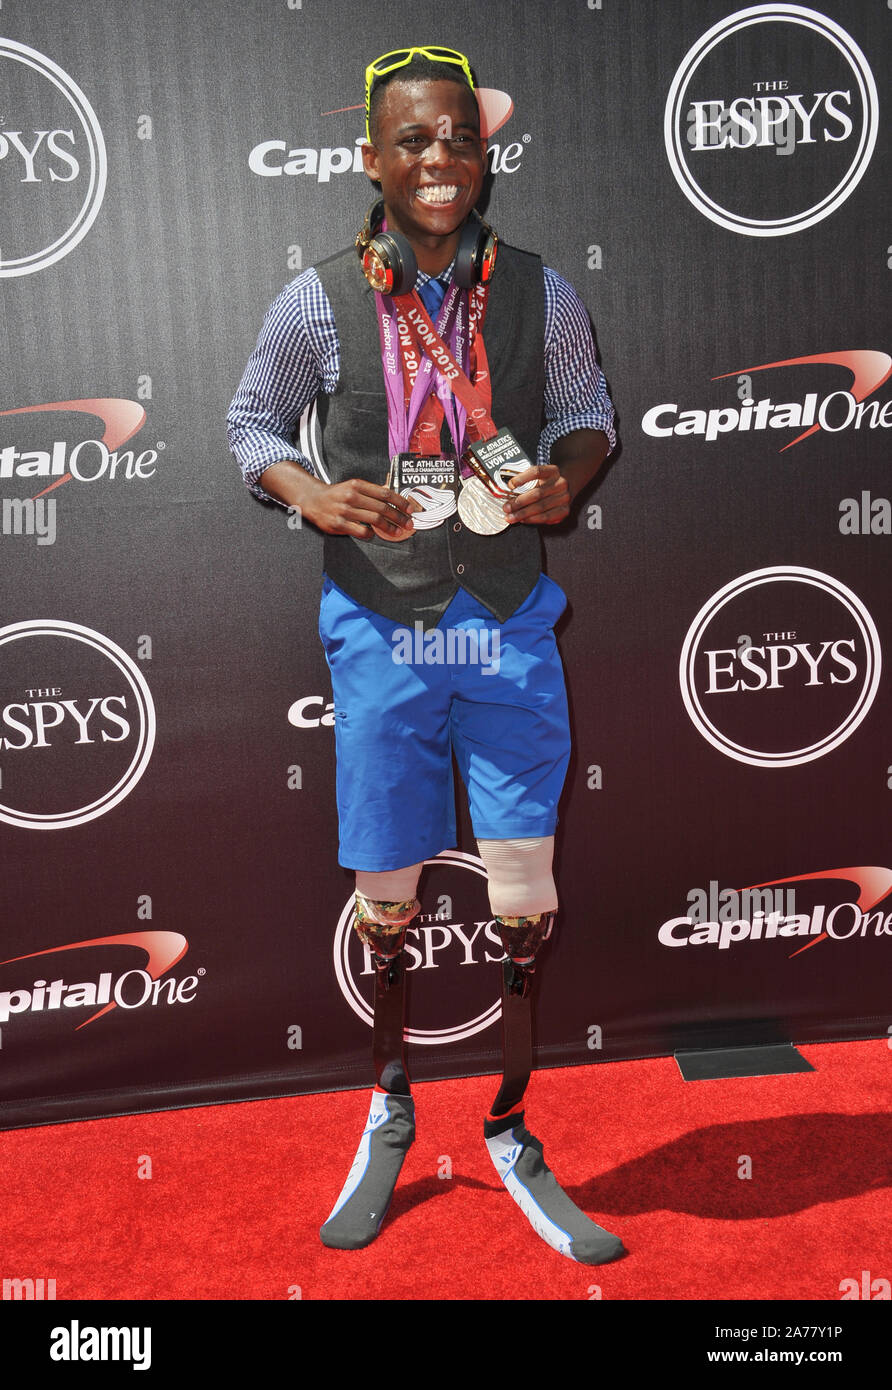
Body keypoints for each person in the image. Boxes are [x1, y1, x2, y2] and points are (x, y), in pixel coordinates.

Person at [227, 45, 624, 1265]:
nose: (439, 162)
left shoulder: (544, 288)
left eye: (457, 138)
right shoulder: (315, 299)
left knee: (520, 893)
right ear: (372, 160)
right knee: (387, 894)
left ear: (480, 150)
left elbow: (588, 414)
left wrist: (569, 477)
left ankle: (508, 1121)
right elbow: (246, 425)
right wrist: (315, 495)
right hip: (381, 623)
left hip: (504, 618)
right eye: (412, 141)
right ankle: (390, 1099)